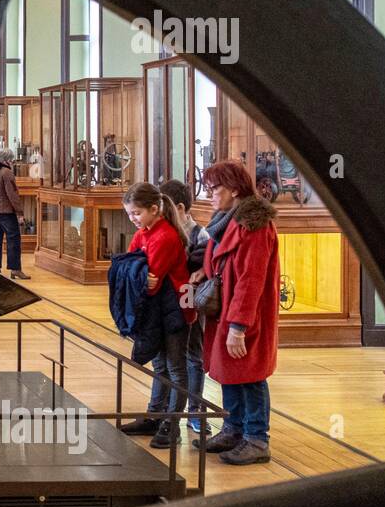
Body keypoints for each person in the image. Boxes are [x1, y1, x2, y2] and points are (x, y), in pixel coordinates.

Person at [190, 160, 279, 466]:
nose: (209, 195)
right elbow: (220, 258)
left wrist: (238, 327)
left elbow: (251, 280)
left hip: (246, 316)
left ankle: (256, 439)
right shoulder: (226, 220)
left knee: (250, 375)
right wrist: (204, 271)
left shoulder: (255, 225)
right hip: (226, 311)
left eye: (214, 188)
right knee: (229, 371)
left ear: (234, 189)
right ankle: (233, 428)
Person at [116, 182, 195, 449]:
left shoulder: (165, 236)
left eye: (136, 213)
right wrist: (136, 273)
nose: (133, 219)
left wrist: (136, 273)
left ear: (154, 209)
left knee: (176, 368)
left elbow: (151, 281)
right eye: (129, 214)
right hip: (157, 311)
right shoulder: (144, 233)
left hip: (174, 311)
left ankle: (172, 424)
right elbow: (130, 266)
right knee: (160, 366)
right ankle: (154, 416)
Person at [160, 179, 209, 432]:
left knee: (194, 355)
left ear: (179, 208)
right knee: (171, 359)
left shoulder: (200, 234)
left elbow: (205, 266)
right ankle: (166, 409)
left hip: (192, 301)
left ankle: (195, 411)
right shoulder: (163, 231)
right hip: (169, 303)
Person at [0, 147, 30, 279]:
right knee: (13, 239)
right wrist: (19, 213)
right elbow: (12, 195)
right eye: (12, 160)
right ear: (7, 160)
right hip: (5, 212)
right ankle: (15, 269)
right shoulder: (6, 172)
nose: (12, 163)